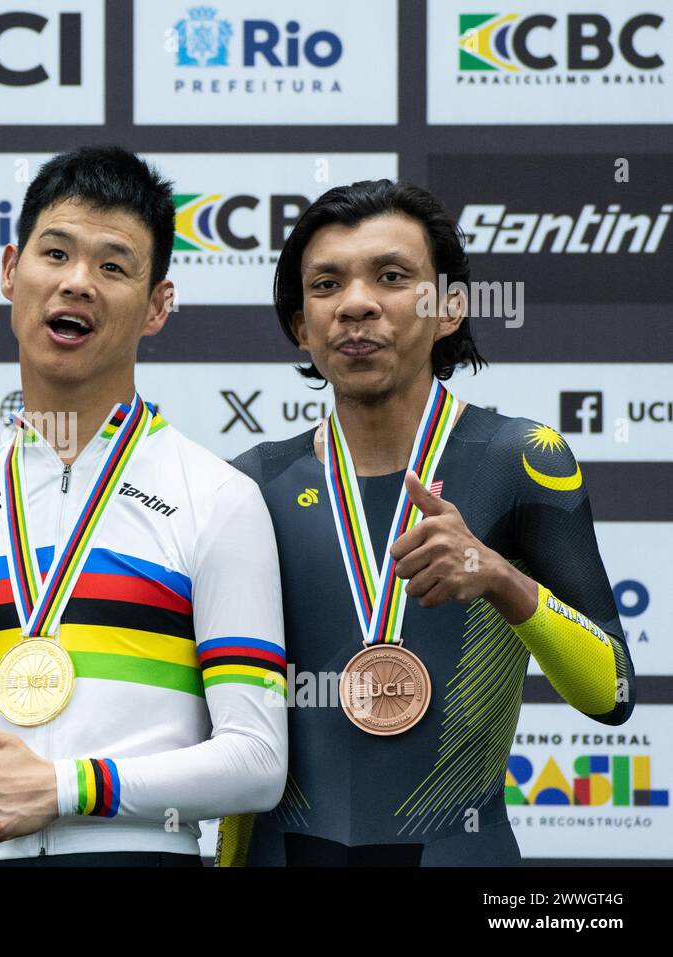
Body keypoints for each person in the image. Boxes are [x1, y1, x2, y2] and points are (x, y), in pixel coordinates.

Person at [0, 145, 287, 867]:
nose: (78, 282)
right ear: (8, 271)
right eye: (54, 253)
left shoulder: (217, 498)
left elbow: (257, 758)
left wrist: (68, 786)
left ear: (158, 306)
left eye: (114, 266)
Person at [217, 179, 634, 867]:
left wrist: (501, 579)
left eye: (391, 276)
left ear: (448, 309)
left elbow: (614, 693)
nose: (356, 303)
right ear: (301, 325)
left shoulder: (523, 459)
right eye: (326, 284)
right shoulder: (247, 484)